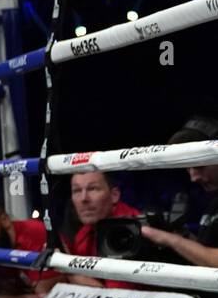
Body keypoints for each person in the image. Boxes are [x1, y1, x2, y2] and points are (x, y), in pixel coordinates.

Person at [141, 115, 218, 269]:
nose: (193, 177)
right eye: (188, 167)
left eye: (199, 166)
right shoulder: (214, 200)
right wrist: (185, 238)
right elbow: (208, 252)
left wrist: (170, 239)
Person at [63, 170, 142, 289]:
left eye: (93, 189)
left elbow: (116, 296)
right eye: (77, 191)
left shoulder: (128, 232)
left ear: (114, 195)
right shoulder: (85, 233)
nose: (83, 199)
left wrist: (66, 266)